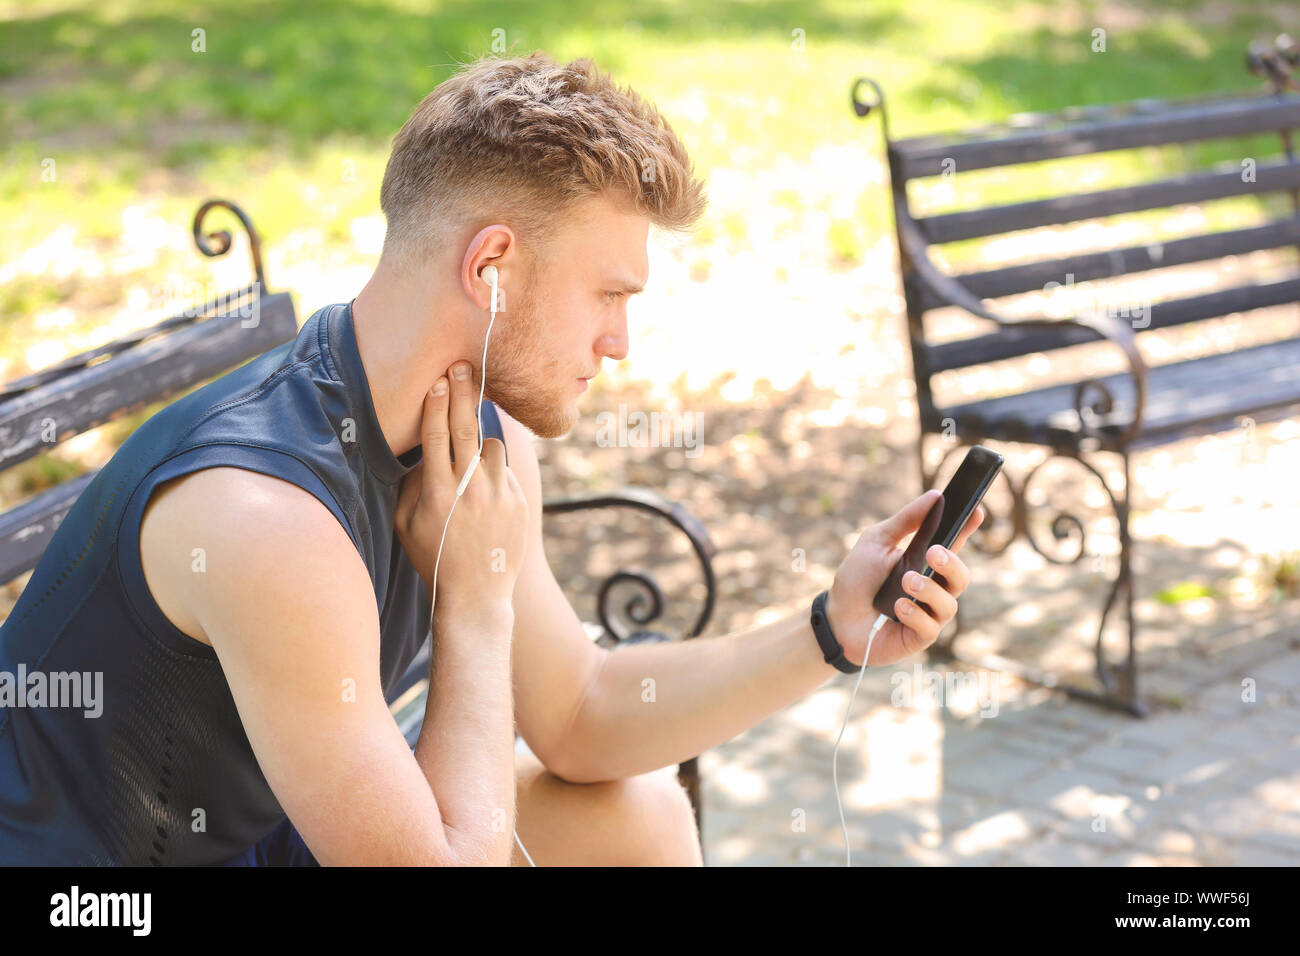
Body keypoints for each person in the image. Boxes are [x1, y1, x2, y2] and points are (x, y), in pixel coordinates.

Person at [0, 51, 982, 866]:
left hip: (254, 838)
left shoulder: (471, 427)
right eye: (609, 294)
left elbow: (581, 714)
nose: (620, 342)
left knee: (637, 819)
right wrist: (473, 599)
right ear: (491, 267)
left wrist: (829, 629)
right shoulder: (266, 520)